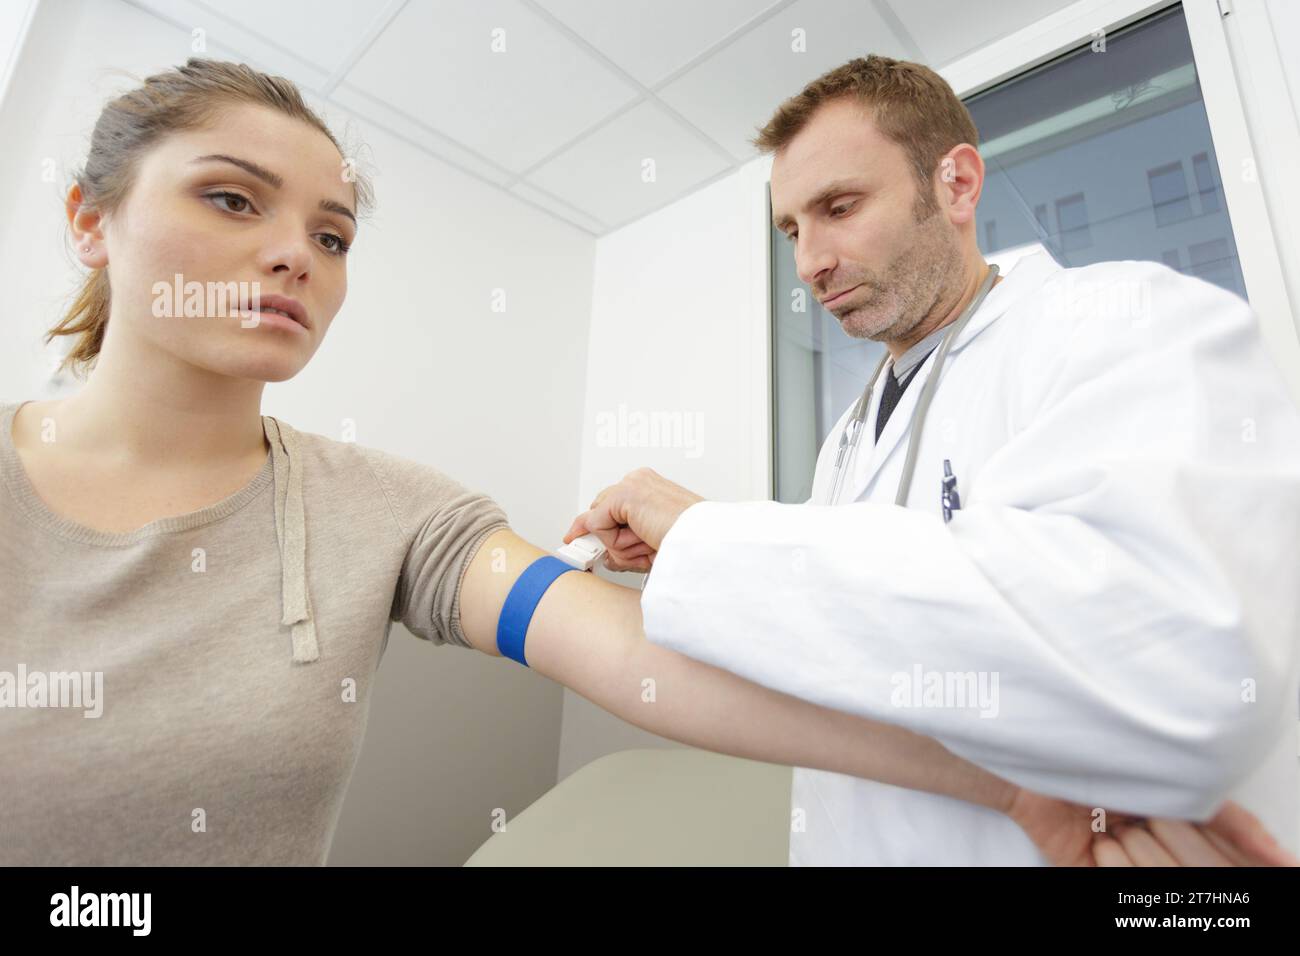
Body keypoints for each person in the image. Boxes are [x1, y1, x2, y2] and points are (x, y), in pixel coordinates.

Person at [0, 58, 1287, 867]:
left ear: (958, 182)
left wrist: (1007, 788)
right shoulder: (861, 426)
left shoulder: (386, 507)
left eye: (332, 232)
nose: (295, 254)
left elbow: (634, 660)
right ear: (89, 220)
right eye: (233, 199)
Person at [566, 56, 1300, 866]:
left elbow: (1178, 666)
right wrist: (694, 563)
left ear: (955, 184)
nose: (809, 262)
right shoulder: (847, 434)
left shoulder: (1125, 323)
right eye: (791, 231)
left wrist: (713, 541)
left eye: (838, 208)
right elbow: (836, 632)